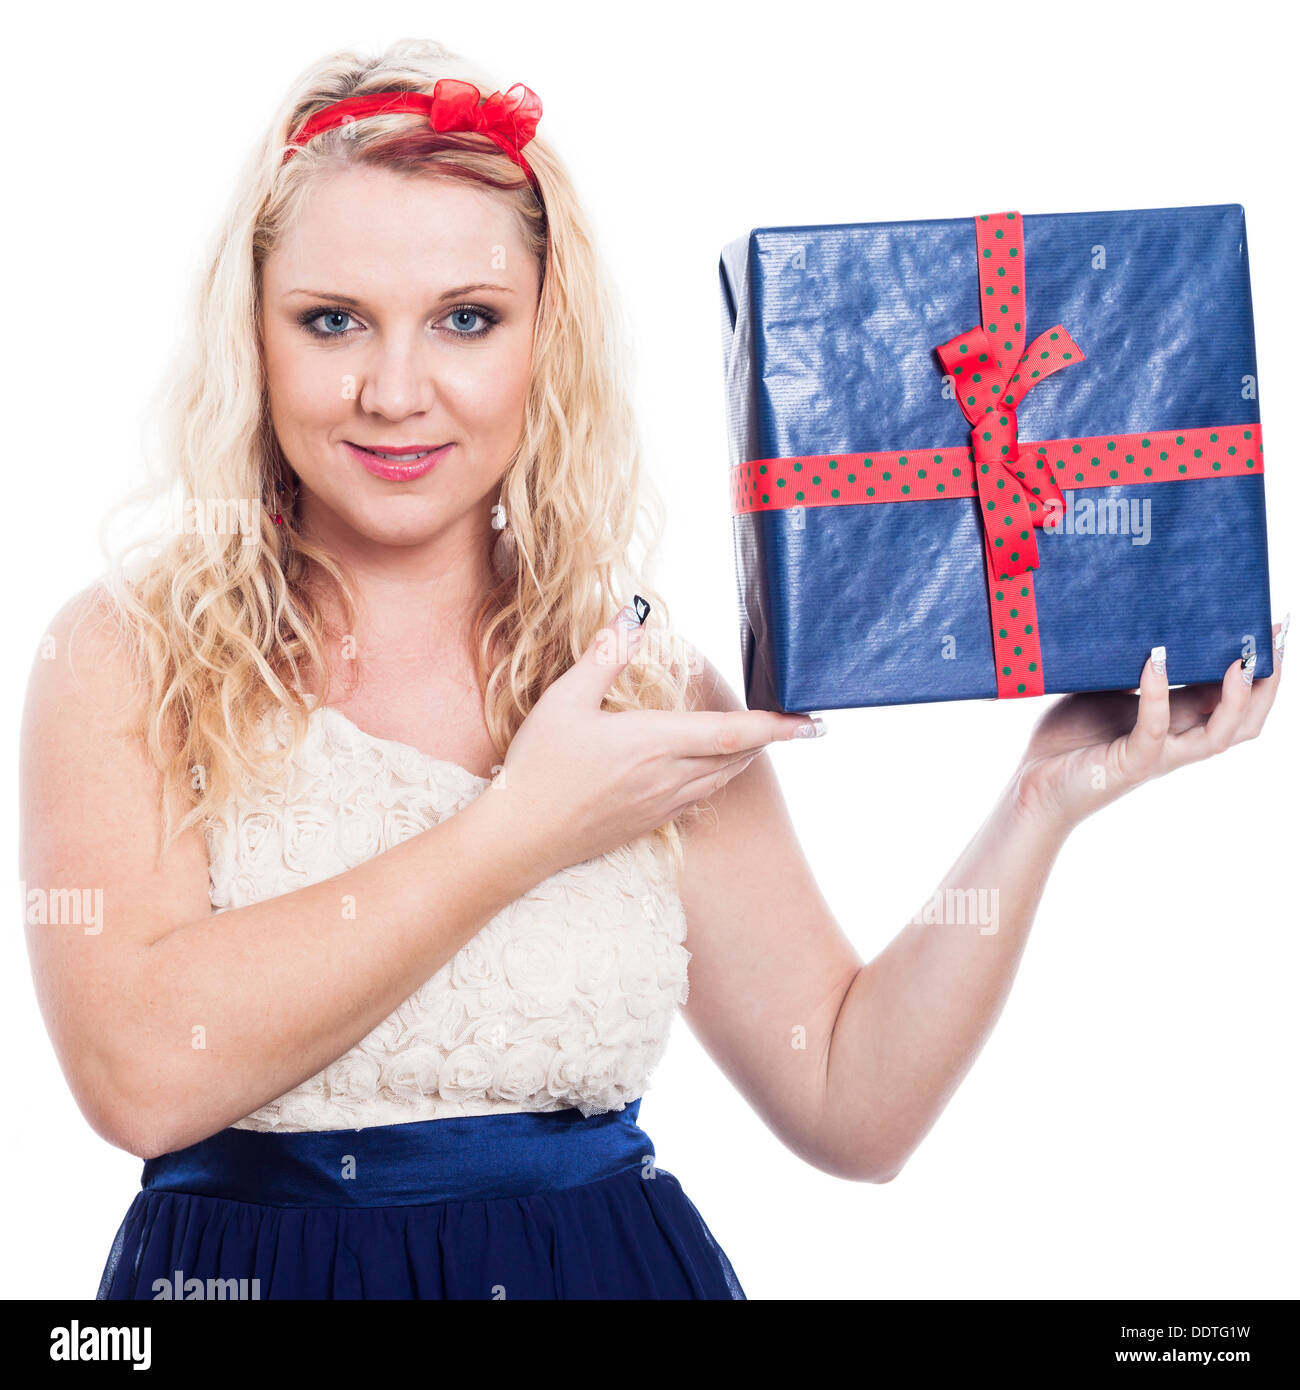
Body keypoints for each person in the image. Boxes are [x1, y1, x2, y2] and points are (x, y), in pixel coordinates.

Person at [19, 38, 1286, 1301]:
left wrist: (1042, 796)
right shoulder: (131, 656)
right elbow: (140, 1077)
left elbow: (850, 1105)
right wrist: (526, 824)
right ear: (255, 339)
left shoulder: (641, 686)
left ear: (543, 340)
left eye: (467, 319)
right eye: (331, 320)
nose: (394, 389)